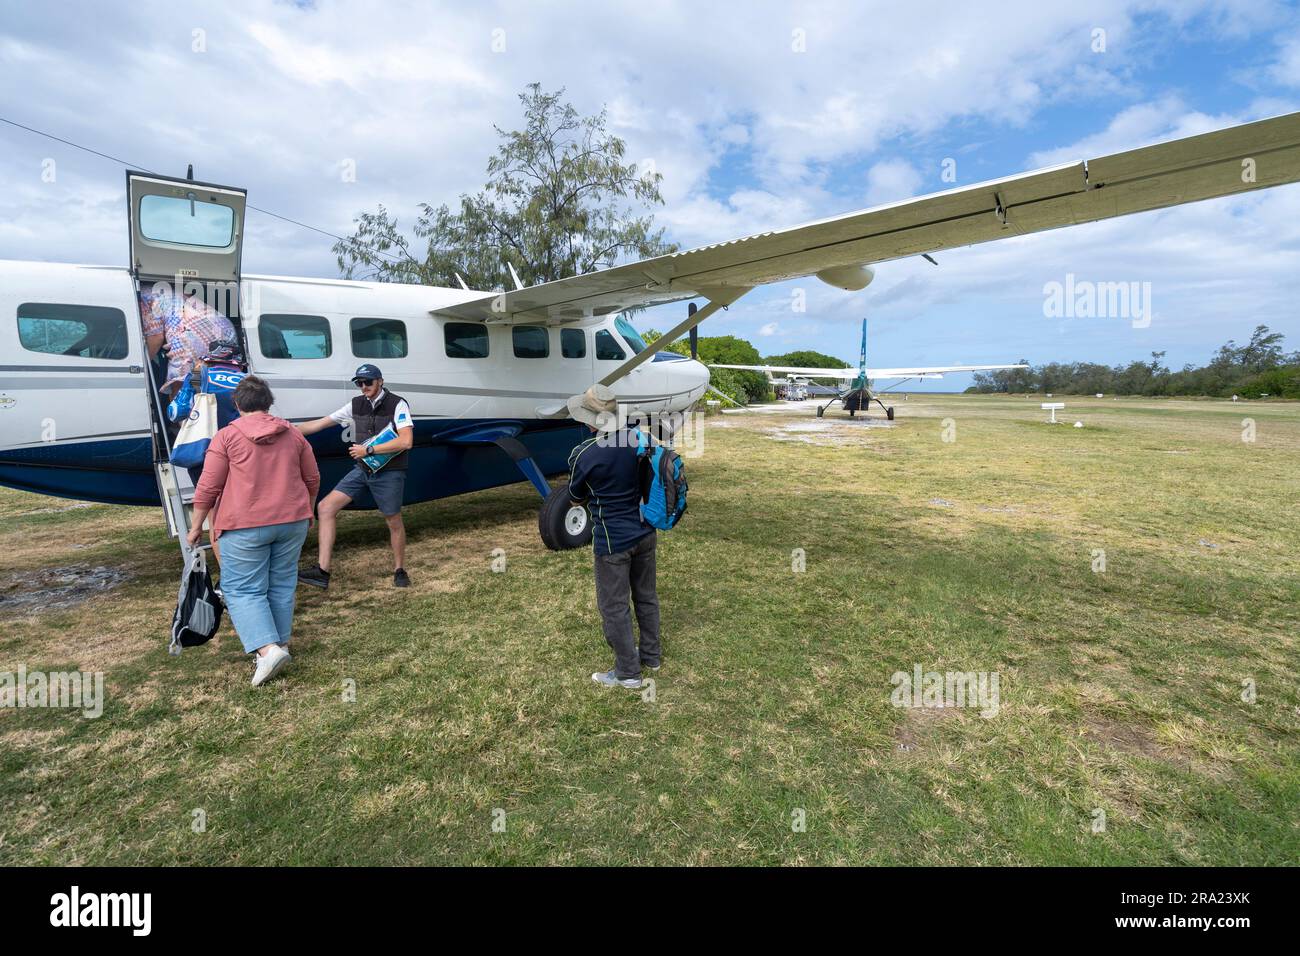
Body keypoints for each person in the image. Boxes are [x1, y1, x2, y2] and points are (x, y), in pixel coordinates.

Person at [187, 376, 320, 687]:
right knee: (282, 583)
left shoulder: (227, 436)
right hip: (292, 520)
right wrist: (309, 509)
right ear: (269, 402)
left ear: (236, 405)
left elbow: (208, 487)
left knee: (242, 589)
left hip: (244, 524)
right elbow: (312, 477)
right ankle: (280, 644)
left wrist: (196, 526)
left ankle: (267, 649)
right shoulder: (293, 434)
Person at [565, 384, 660, 689]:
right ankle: (651, 655)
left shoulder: (585, 454)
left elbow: (574, 498)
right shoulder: (640, 439)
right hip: (646, 531)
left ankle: (628, 672)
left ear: (591, 420)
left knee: (614, 606)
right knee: (646, 596)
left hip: (612, 541)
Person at [296, 364, 415, 590]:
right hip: (363, 469)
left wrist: (368, 450)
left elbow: (406, 441)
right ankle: (322, 571)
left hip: (389, 472)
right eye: (359, 383)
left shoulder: (397, 404)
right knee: (325, 507)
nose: (363, 387)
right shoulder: (356, 404)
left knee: (393, 521)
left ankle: (399, 569)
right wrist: (285, 429)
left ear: (380, 381)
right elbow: (321, 423)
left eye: (367, 382)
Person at [140, 286, 237, 397]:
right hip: (225, 328)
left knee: (181, 383)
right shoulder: (163, 291)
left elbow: (156, 338)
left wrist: (142, 366)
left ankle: (182, 412)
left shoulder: (142, 298)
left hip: (192, 332)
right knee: (218, 381)